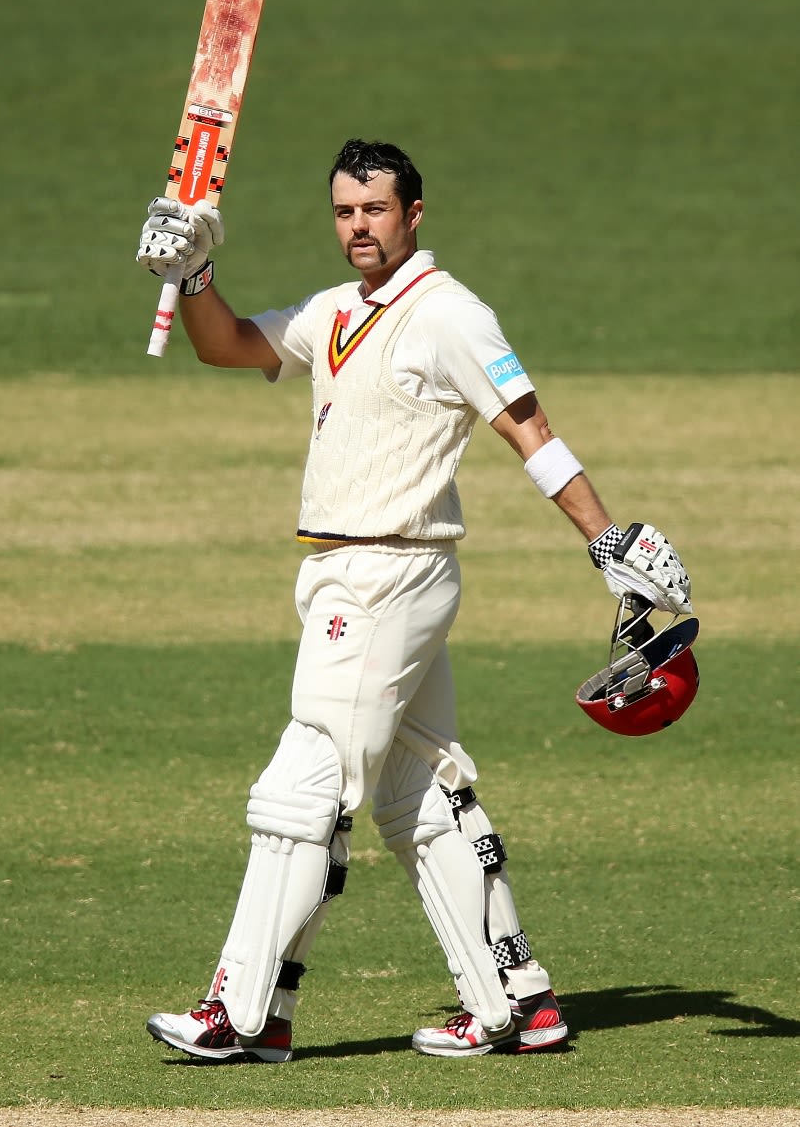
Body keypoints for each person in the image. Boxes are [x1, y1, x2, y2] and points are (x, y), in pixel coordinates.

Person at [135, 138, 692, 1063]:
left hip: (388, 574)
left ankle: (242, 1011)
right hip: (351, 575)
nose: (359, 227)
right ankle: (518, 1002)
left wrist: (605, 536)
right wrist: (194, 272)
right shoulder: (333, 312)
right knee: (420, 793)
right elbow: (226, 346)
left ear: (414, 213)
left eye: (376, 210)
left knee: (304, 782)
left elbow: (529, 427)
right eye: (346, 211)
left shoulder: (451, 315)